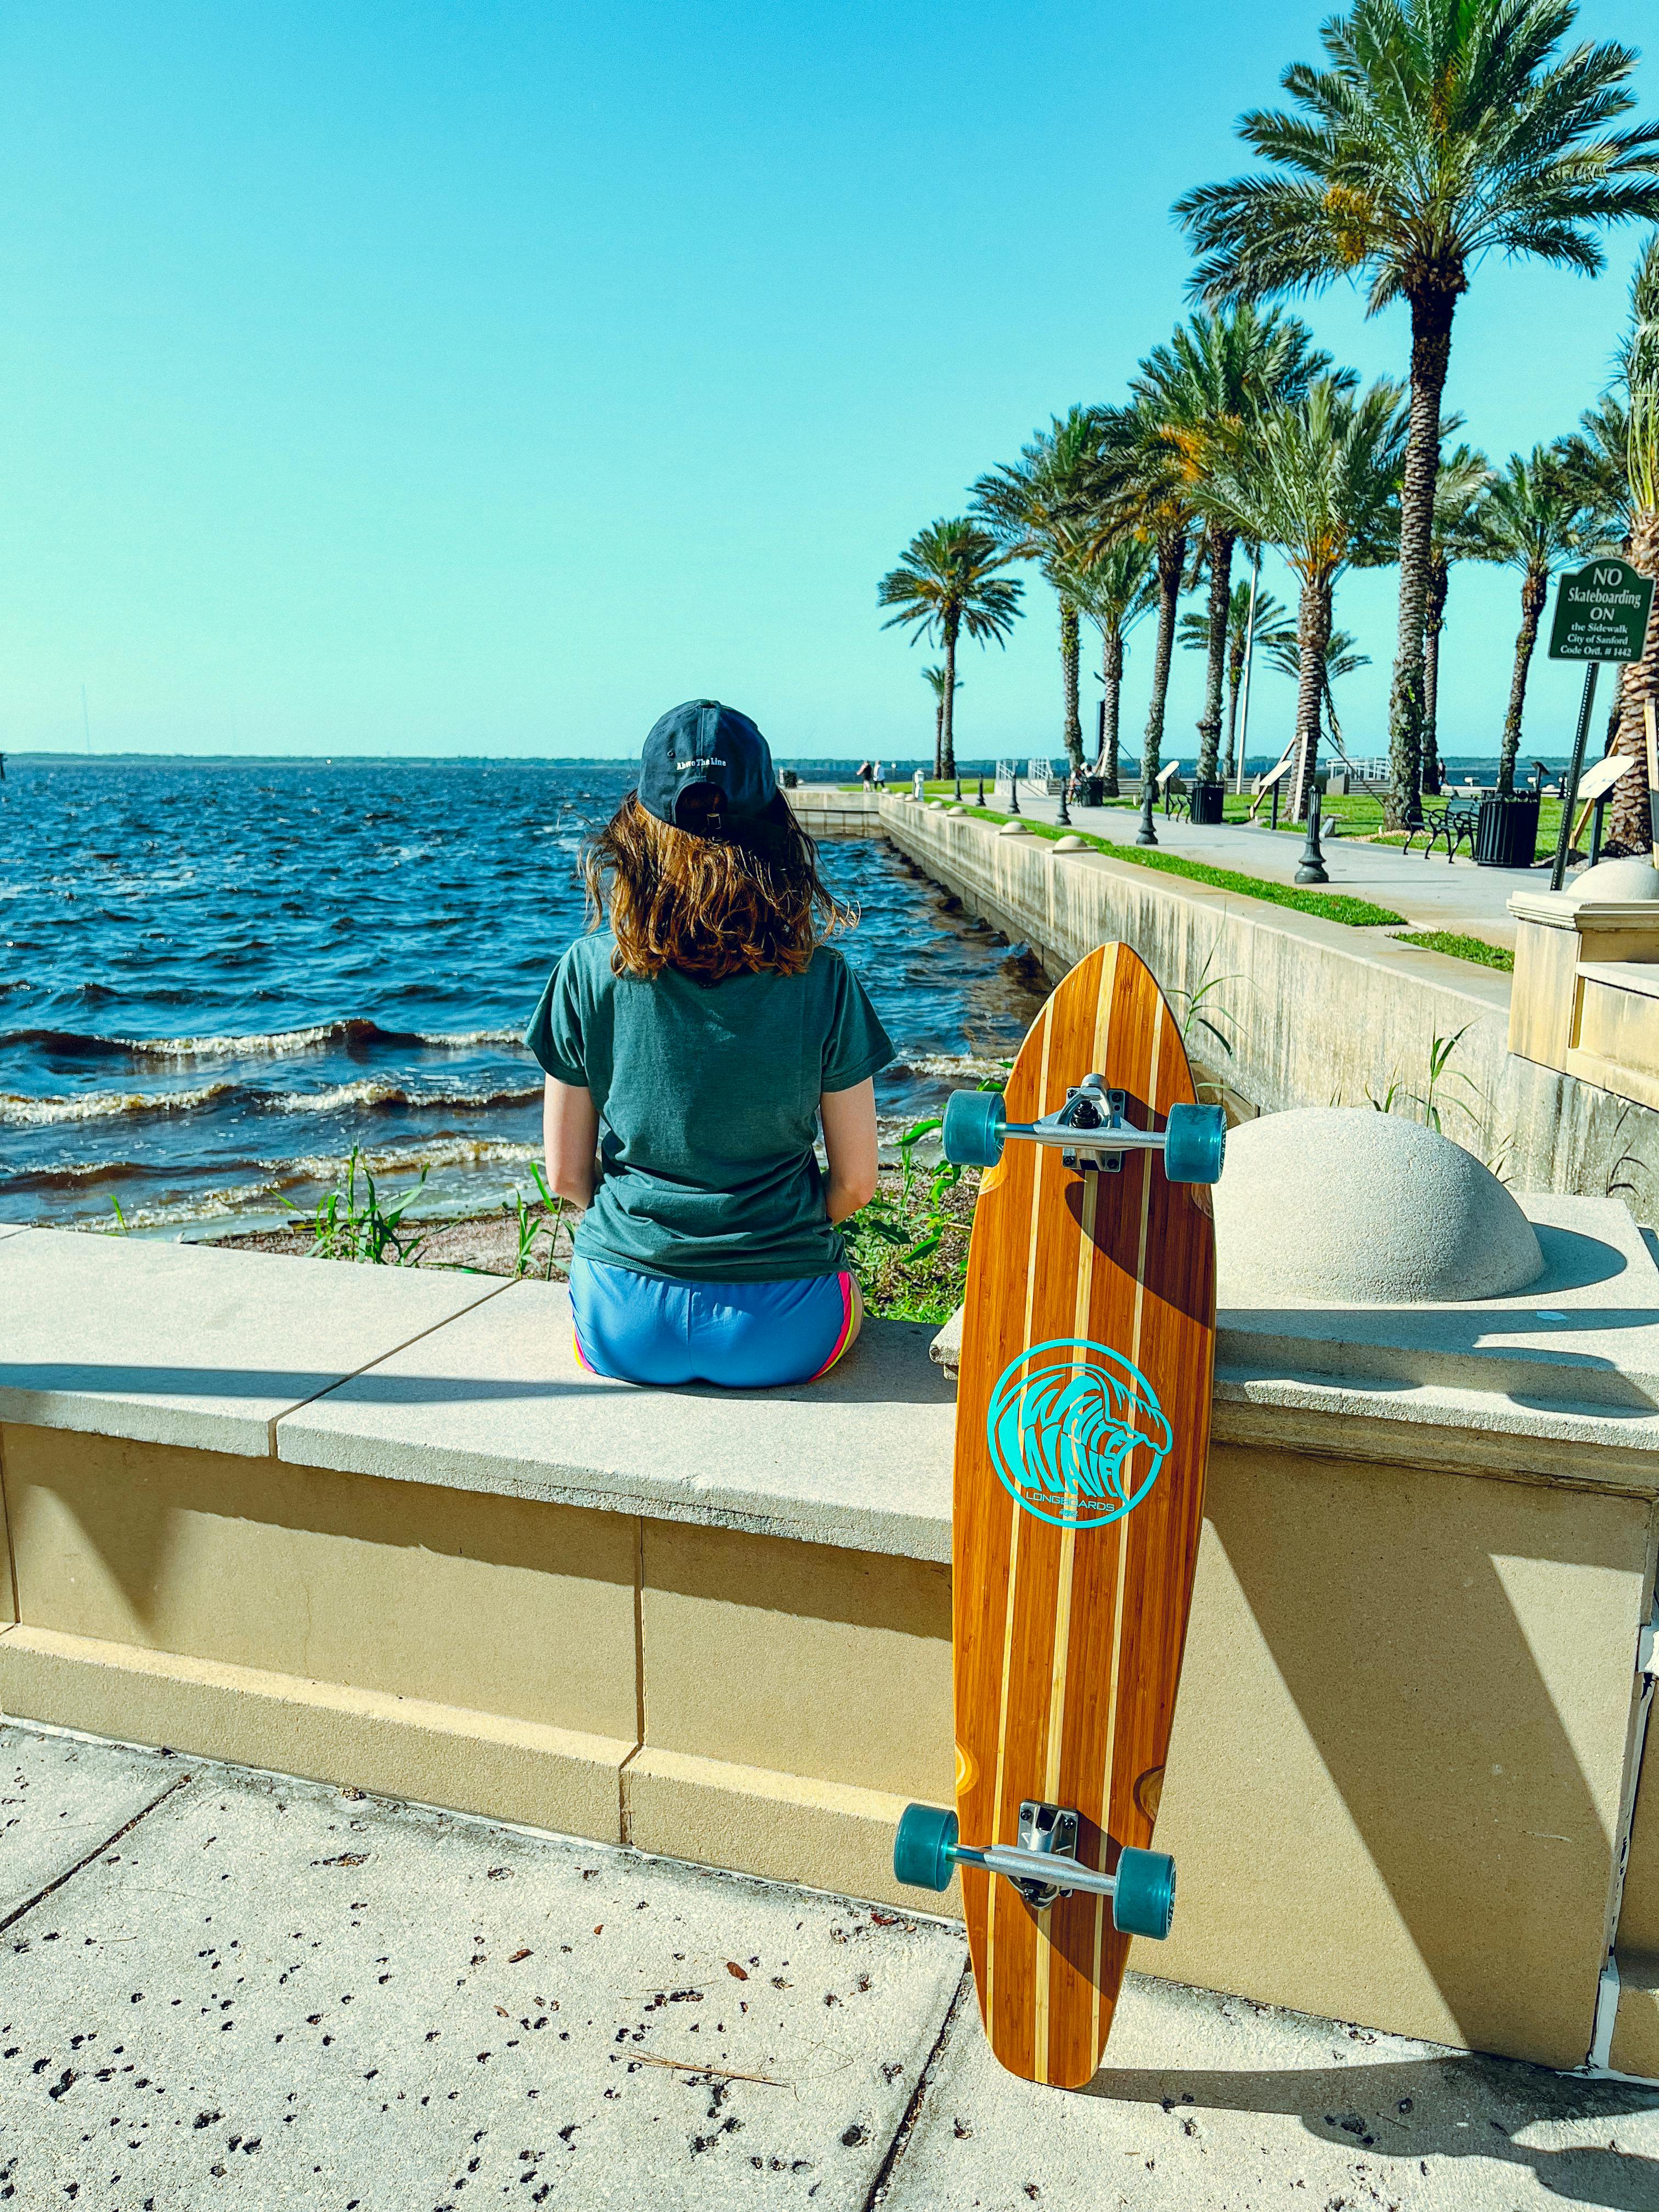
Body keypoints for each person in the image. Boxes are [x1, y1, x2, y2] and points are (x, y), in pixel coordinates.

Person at [526, 699, 894, 1389]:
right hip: (784, 1327)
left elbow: (568, 1180)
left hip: (624, 1319)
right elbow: (855, 1182)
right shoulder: (825, 980)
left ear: (637, 831)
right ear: (774, 831)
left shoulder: (587, 968)